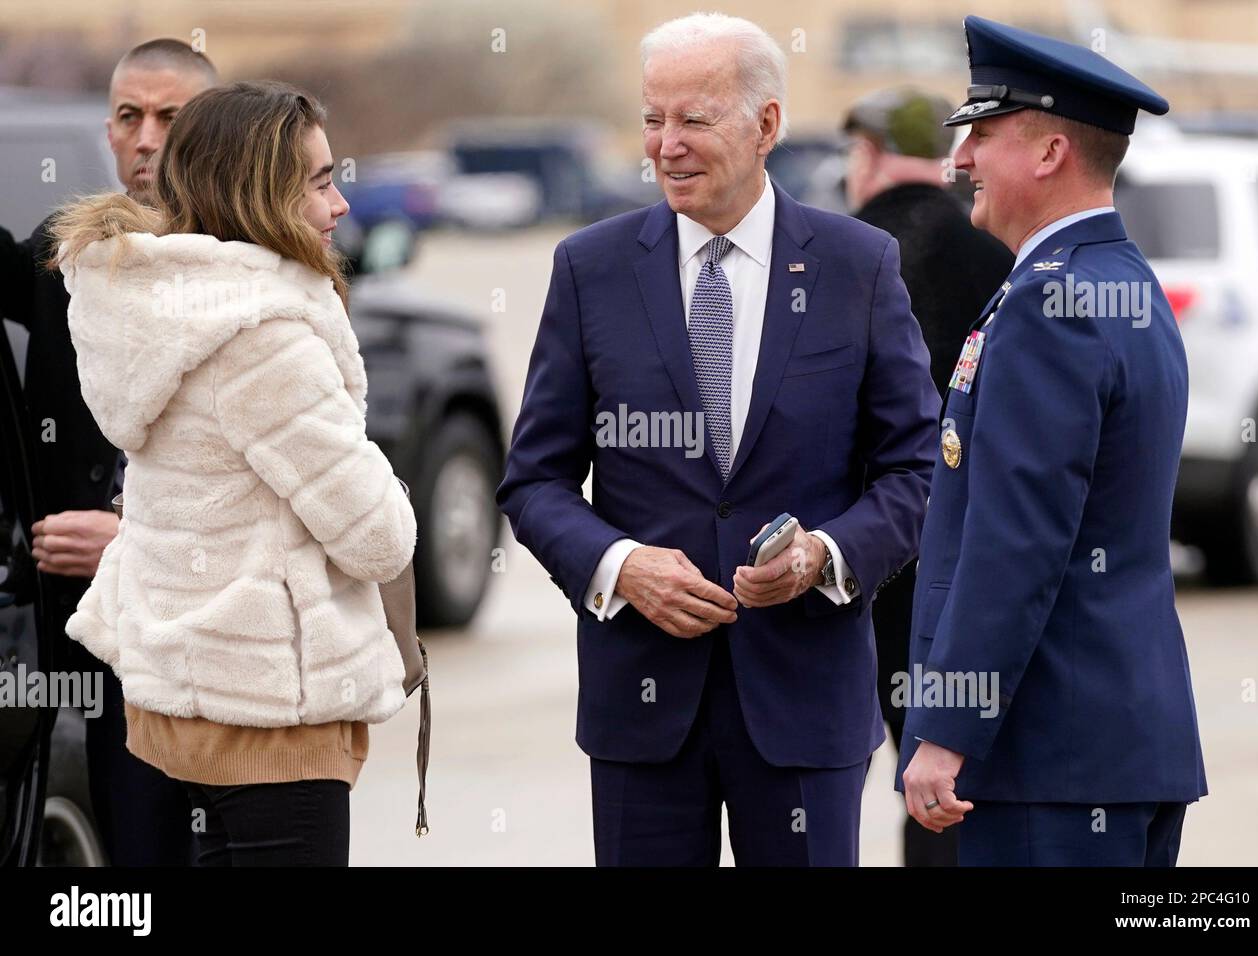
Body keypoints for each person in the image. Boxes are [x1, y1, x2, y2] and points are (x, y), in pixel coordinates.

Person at [497, 13, 938, 867]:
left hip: (805, 704)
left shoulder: (859, 265)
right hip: (644, 708)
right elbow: (533, 482)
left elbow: (916, 468)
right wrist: (621, 564)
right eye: (653, 119)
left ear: (766, 125)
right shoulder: (590, 269)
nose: (666, 146)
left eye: (694, 120)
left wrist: (827, 555)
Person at [50, 80, 416, 866]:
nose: (340, 204)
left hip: (173, 711)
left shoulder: (152, 310)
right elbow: (379, 539)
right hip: (268, 721)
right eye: (319, 182)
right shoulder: (262, 337)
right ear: (260, 195)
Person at [895, 15, 1208, 866]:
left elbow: (1017, 543)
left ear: (1048, 154)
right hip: (1120, 747)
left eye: (982, 135)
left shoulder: (1047, 305)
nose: (959, 160)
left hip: (1047, 763)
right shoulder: (1123, 280)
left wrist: (949, 730)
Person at [0, 38, 217, 866]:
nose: (148, 137)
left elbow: (286, 497)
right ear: (110, 131)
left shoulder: (256, 266)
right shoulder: (72, 256)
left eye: (172, 117)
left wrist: (130, 539)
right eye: (130, 116)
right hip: (95, 655)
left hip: (220, 658)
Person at [843, 86, 1013, 867]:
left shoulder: (840, 251)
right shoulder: (1001, 246)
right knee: (951, 781)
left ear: (870, 154)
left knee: (852, 769)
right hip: (979, 559)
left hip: (863, 558)